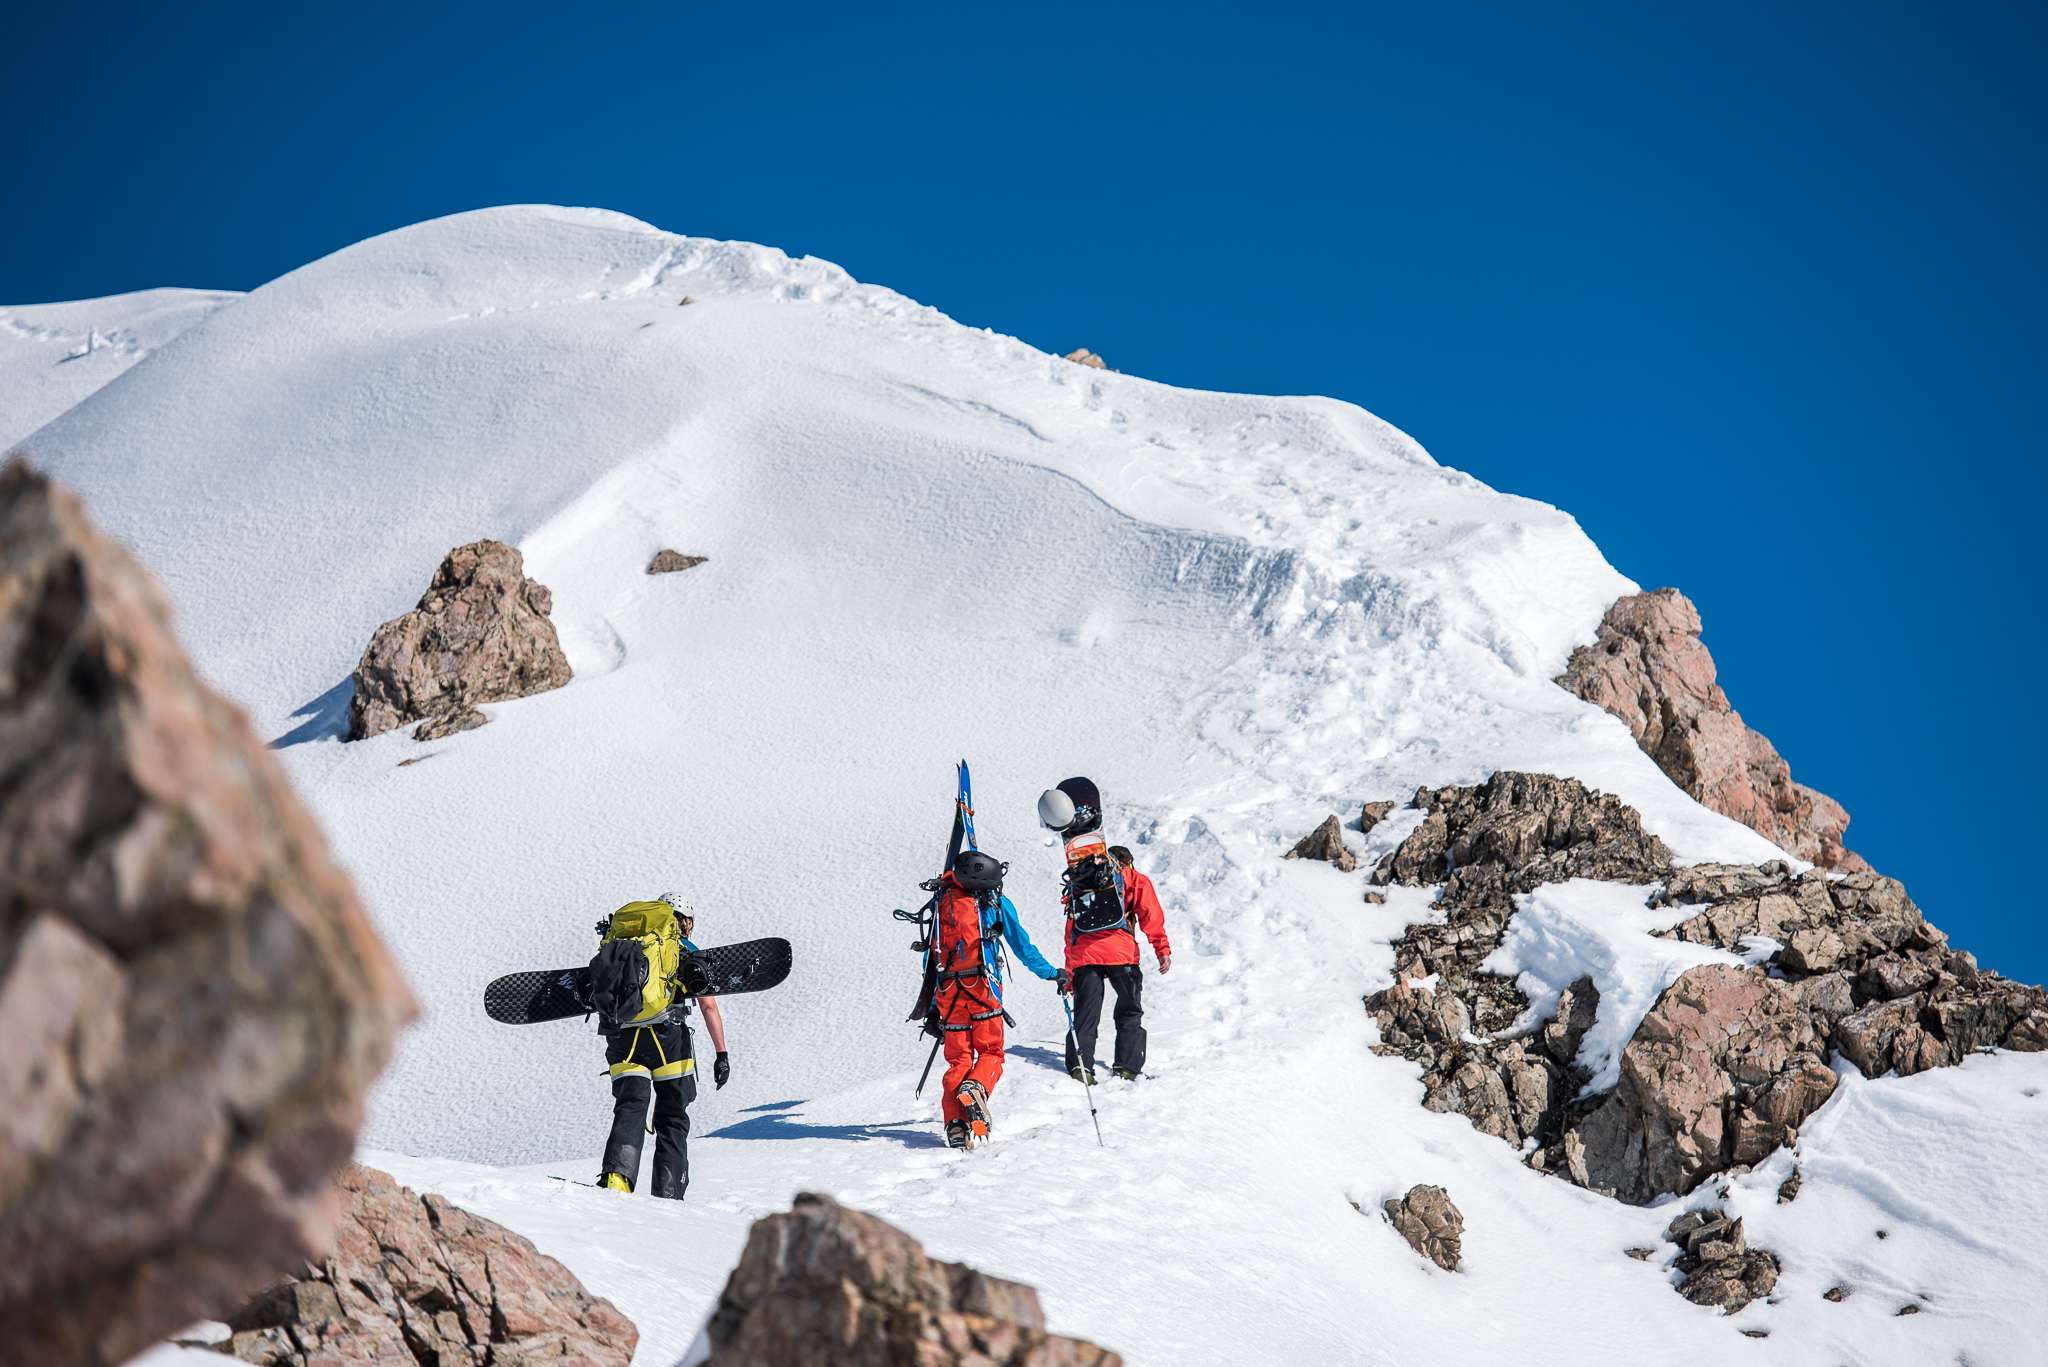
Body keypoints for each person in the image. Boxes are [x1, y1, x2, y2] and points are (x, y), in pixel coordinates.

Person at [925, 849, 1064, 1149]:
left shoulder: (943, 904)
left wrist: (933, 1008)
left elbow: (930, 959)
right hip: (983, 988)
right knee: (991, 1053)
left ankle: (956, 1125)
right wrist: (1053, 974)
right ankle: (977, 1087)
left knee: (958, 1059)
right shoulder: (994, 903)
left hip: (948, 993)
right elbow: (1023, 948)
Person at [595, 891, 730, 1197]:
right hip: (668, 1041)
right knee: (672, 1117)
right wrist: (721, 1053)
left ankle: (617, 1179)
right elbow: (708, 1007)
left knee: (630, 1107)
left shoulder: (618, 946)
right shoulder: (684, 949)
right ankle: (668, 1194)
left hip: (622, 1039)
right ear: (684, 920)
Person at [1063, 845, 1171, 1082]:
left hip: (1085, 955)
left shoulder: (1082, 880)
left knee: (1085, 1013)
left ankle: (1081, 1067)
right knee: (1129, 1011)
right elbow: (1150, 915)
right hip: (1122, 954)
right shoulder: (1133, 878)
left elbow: (1070, 930)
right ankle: (1127, 1067)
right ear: (1129, 862)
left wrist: (1070, 973)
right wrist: (1161, 949)